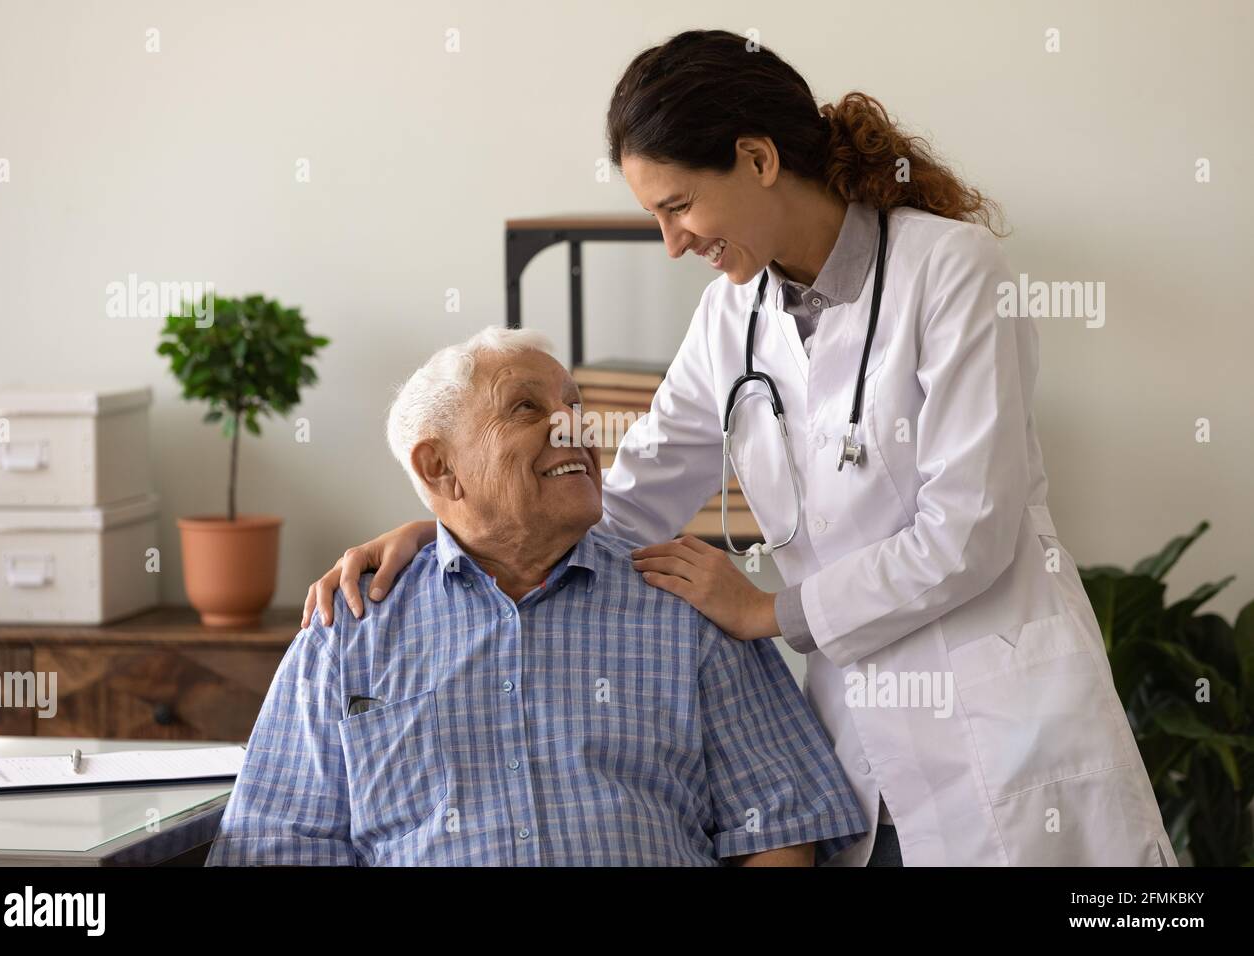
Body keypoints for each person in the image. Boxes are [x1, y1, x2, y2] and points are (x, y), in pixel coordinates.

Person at [299, 30, 1174, 866]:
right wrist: (444, 535)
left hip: (1004, 728)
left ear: (758, 160)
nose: (674, 243)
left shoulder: (951, 269)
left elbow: (968, 533)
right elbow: (626, 499)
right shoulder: (733, 317)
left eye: (678, 206)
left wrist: (768, 611)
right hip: (864, 743)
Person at [209, 328, 867, 866]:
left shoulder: (685, 599)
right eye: (528, 408)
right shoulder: (347, 630)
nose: (572, 428)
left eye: (576, 408)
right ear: (439, 468)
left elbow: (783, 825)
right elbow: (275, 846)